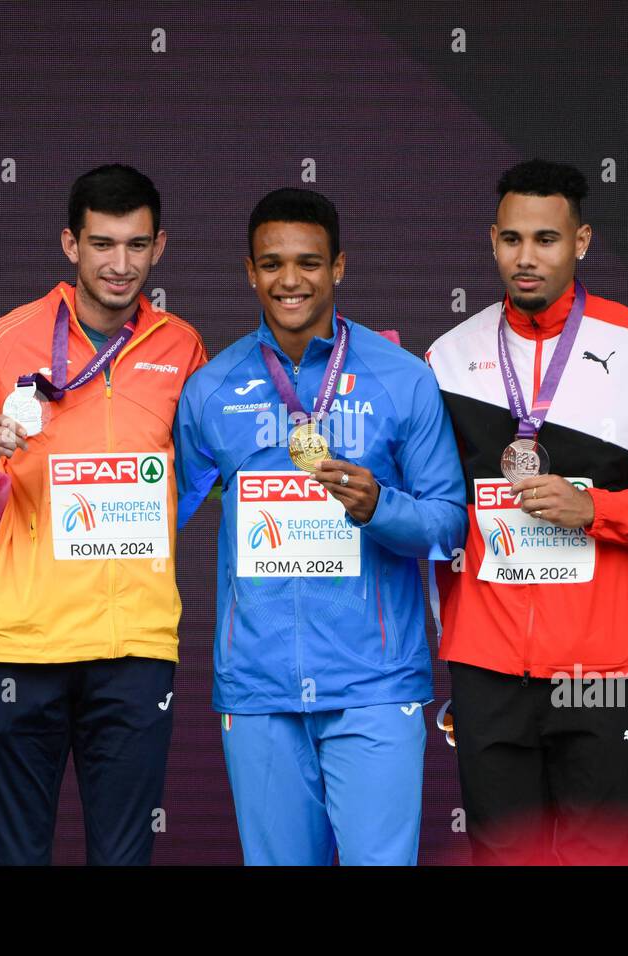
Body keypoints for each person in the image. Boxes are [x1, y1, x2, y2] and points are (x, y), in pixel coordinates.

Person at [0, 164, 208, 865]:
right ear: (70, 244)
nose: (120, 265)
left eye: (136, 246)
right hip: (23, 644)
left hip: (134, 646)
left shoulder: (181, 346)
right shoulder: (8, 337)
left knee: (123, 859)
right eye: (103, 244)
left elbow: (204, 475)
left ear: (159, 246)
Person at [424, 159, 628, 864]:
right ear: (492, 240)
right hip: (487, 665)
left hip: (603, 667)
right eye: (513, 239)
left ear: (581, 241)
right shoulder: (446, 357)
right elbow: (434, 511)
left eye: (547, 239)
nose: (527, 258)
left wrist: (596, 508)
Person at [172, 188, 467, 865]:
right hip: (258, 686)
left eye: (309, 262)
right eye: (271, 263)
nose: (290, 280)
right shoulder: (211, 389)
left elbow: (450, 524)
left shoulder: (401, 378)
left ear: (338, 267)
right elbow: (168, 509)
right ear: (249, 271)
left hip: (375, 686)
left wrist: (379, 506)